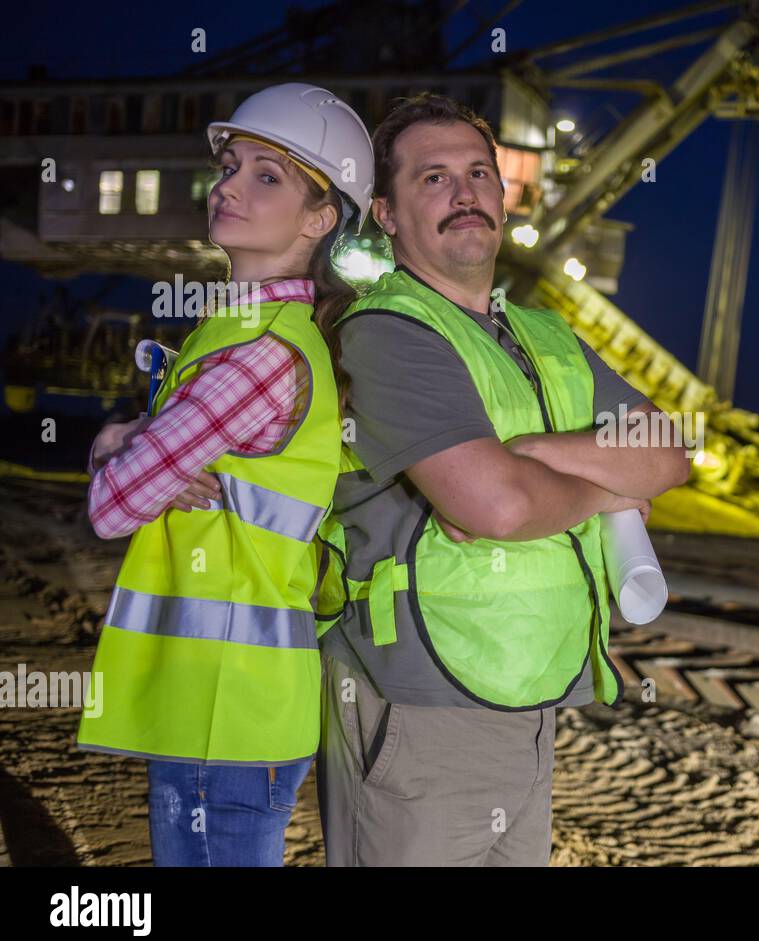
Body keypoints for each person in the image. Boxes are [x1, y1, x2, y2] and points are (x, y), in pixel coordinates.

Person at [315, 92, 691, 866]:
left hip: (532, 696)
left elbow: (668, 453)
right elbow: (493, 504)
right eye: (433, 178)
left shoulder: (546, 334)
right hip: (415, 706)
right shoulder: (387, 331)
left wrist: (531, 449)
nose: (464, 193)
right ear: (384, 213)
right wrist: (605, 485)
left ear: (502, 193)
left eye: (479, 173)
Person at [75, 82, 373, 867]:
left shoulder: (255, 355)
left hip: (224, 719)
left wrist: (117, 450)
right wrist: (132, 448)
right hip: (227, 710)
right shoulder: (255, 333)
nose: (229, 185)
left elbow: (112, 508)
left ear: (319, 220)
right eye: (231, 166)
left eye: (265, 176)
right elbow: (140, 480)